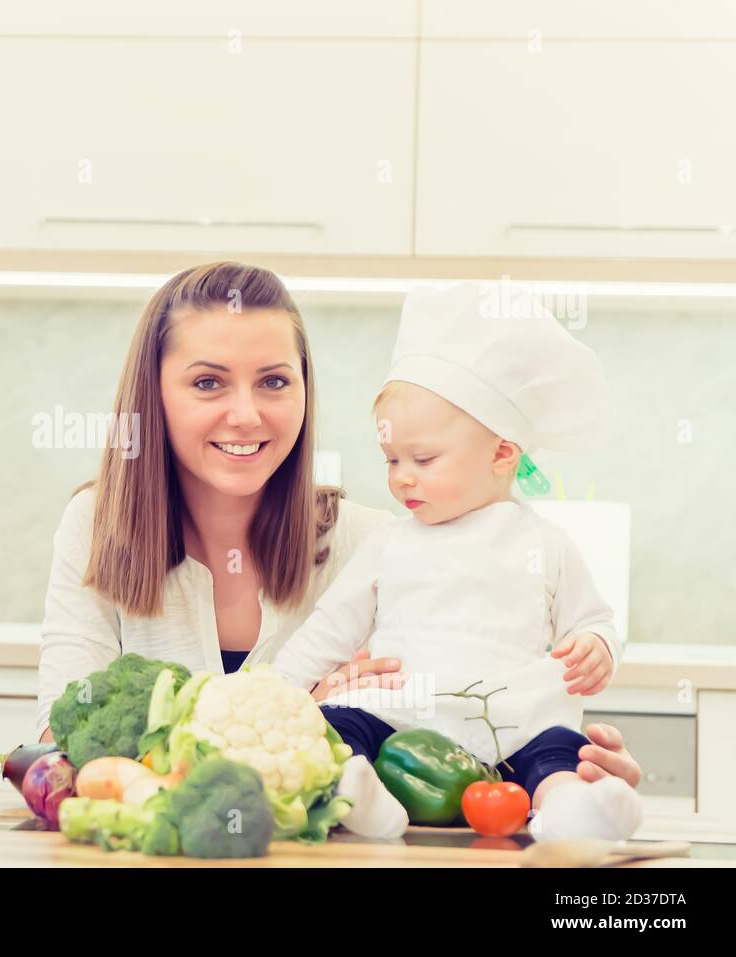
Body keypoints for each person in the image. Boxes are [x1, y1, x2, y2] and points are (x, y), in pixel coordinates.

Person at [36, 262, 643, 800]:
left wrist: (560, 769)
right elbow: (58, 745)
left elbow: (461, 714)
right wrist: (301, 713)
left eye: (274, 381)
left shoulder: (386, 542)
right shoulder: (97, 528)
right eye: (207, 382)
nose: (246, 414)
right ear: (155, 394)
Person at [274, 283, 642, 841]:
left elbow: (593, 622)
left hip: (512, 722)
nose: (401, 477)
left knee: (559, 752)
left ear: (502, 453)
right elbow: (329, 630)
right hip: (401, 717)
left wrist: (598, 648)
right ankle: (362, 795)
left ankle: (570, 810)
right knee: (336, 726)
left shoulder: (547, 542)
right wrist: (273, 693)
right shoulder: (388, 542)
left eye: (423, 459)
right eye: (391, 459)